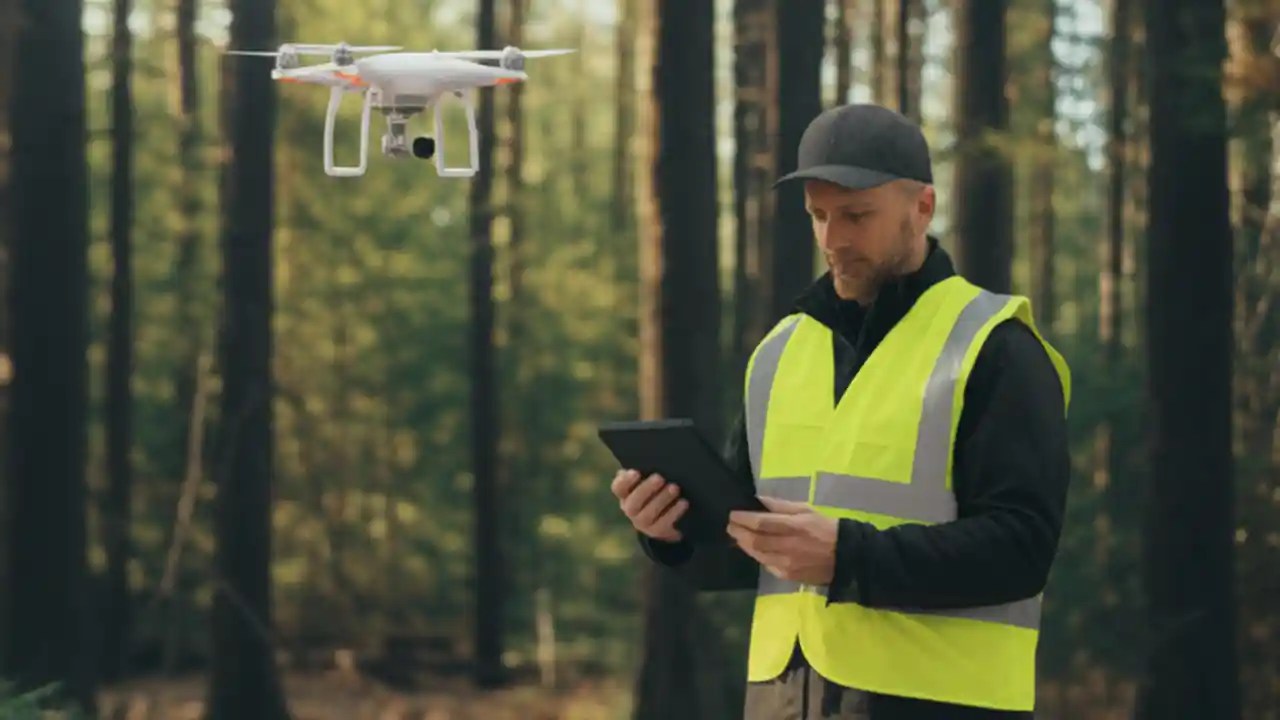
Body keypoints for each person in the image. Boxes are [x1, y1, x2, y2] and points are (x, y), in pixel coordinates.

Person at [610, 103, 1072, 720]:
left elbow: (1024, 548)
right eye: (819, 216)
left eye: (856, 215)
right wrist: (670, 531)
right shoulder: (780, 352)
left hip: (939, 704)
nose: (833, 240)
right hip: (782, 700)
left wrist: (848, 556)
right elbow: (744, 550)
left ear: (923, 207)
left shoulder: (995, 345)